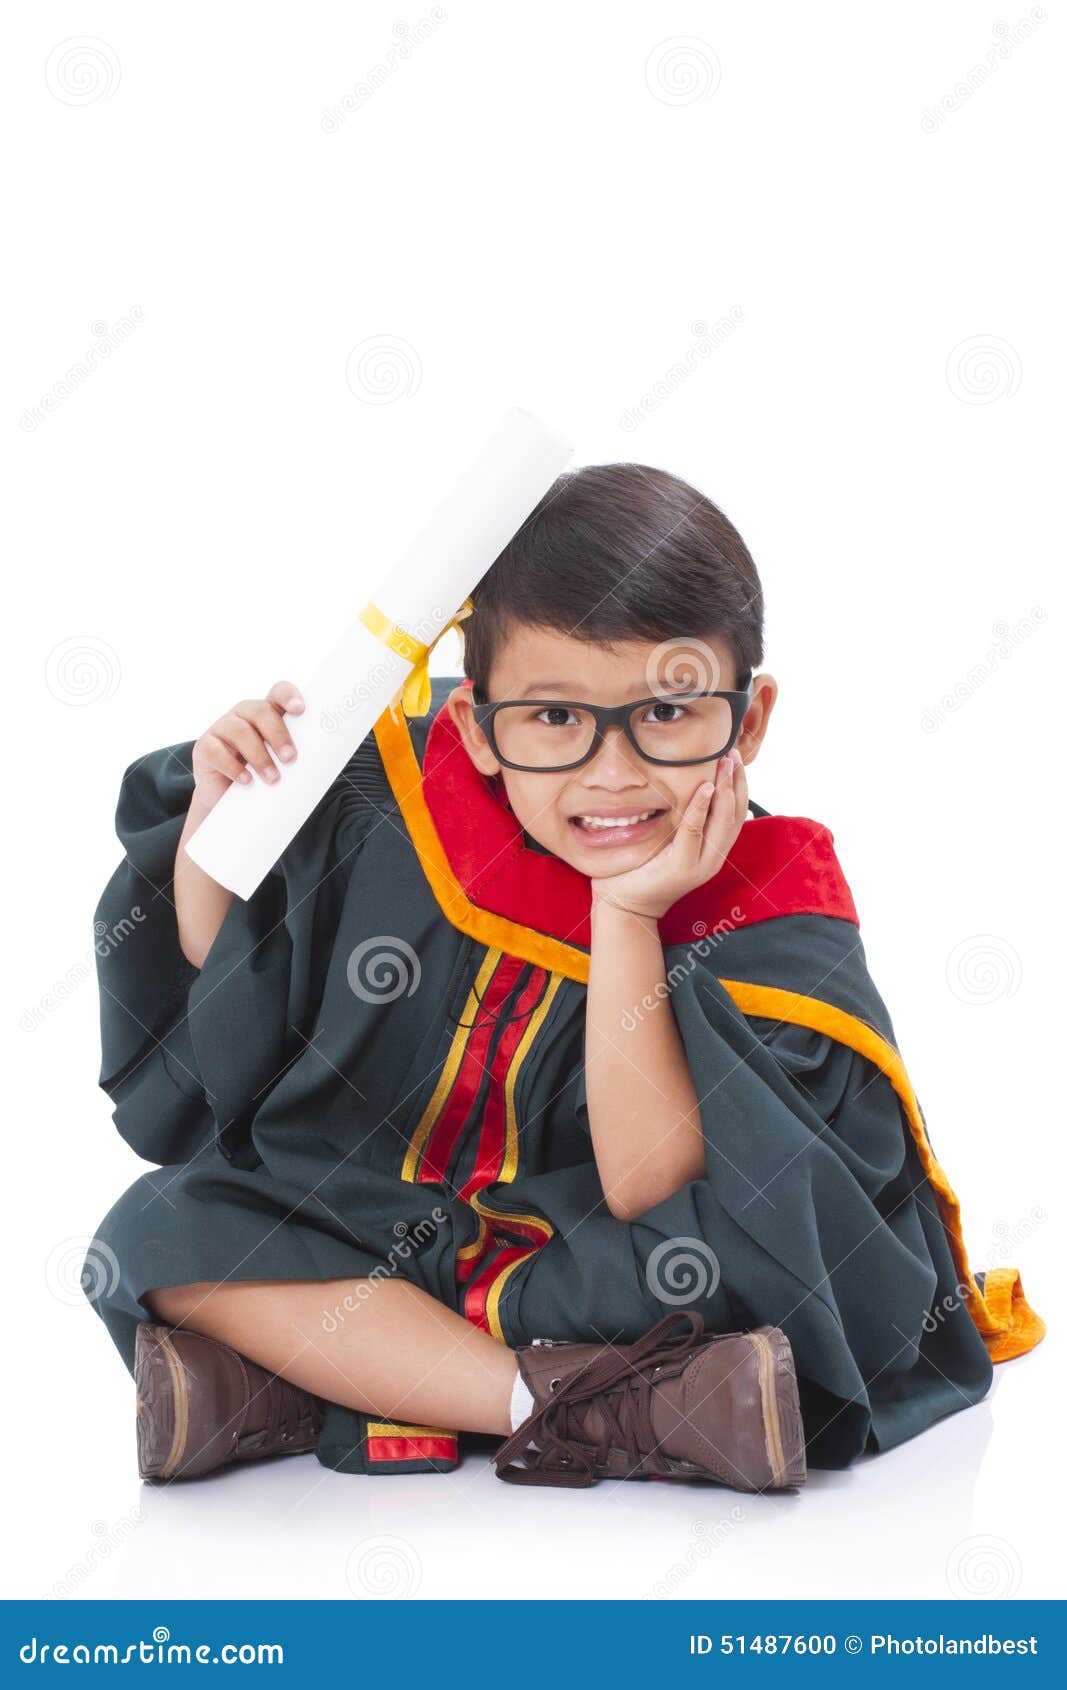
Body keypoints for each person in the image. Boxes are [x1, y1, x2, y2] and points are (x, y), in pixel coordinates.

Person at [84, 463, 1044, 1491]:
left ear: (750, 718)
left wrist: (627, 909)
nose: (612, 772)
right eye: (552, 719)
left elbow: (650, 1186)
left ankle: (290, 1384)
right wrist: (217, 829)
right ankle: (600, 1404)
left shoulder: (774, 911)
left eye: (667, 714)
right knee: (161, 1227)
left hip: (596, 1267)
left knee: (752, 1273)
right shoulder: (389, 801)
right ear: (474, 726)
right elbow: (229, 1029)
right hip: (378, 1228)